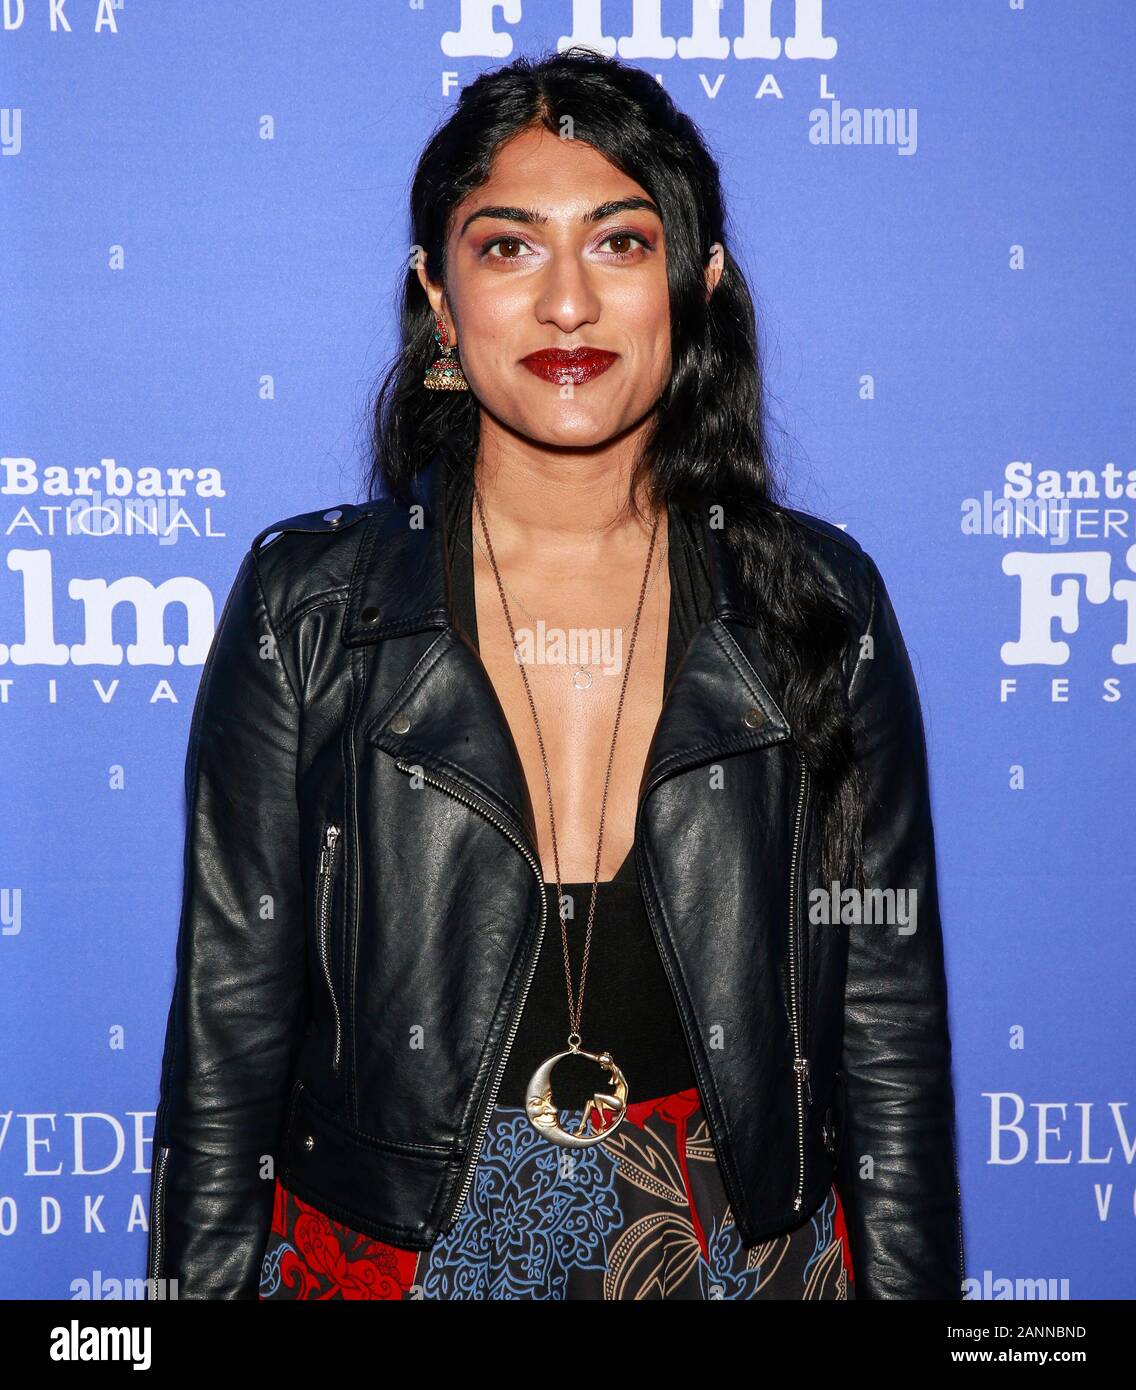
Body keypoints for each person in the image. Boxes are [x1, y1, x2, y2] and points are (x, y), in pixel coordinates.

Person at [147, 48, 963, 1301]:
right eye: (509, 247)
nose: (568, 305)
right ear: (436, 294)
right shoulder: (308, 611)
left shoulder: (818, 604)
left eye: (620, 244)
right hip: (390, 1253)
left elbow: (885, 1016)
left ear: (698, 284)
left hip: (728, 1249)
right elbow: (228, 1035)